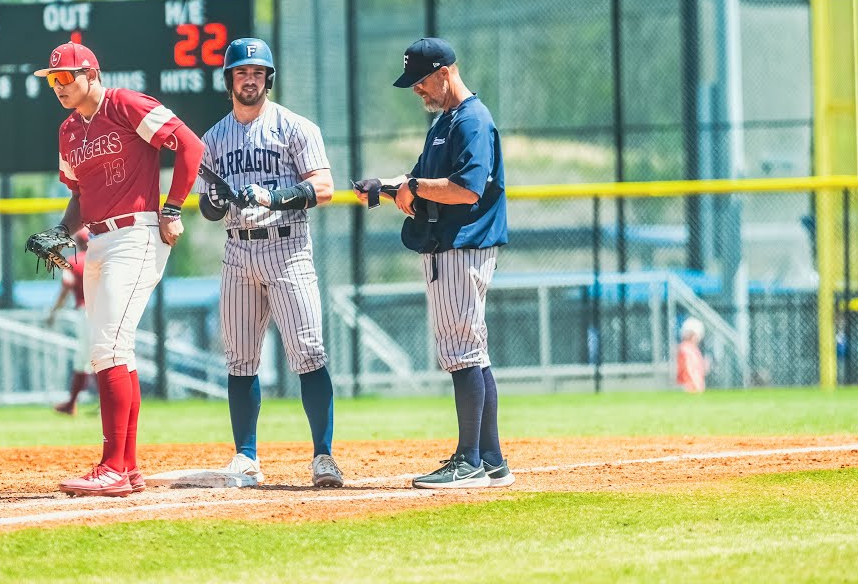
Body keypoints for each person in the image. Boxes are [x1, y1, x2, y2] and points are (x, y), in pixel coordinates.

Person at [31, 41, 202, 497]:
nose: (58, 86)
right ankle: (128, 468)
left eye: (65, 77)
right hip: (99, 240)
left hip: (137, 234)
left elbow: (191, 145)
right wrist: (61, 232)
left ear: (91, 74)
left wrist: (172, 208)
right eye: (52, 80)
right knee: (112, 352)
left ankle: (112, 467)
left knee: (108, 347)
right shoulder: (68, 130)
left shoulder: (124, 104)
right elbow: (79, 197)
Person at [355, 37, 515, 489]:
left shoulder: (472, 121)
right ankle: (491, 459)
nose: (417, 89)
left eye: (421, 80)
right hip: (451, 244)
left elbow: (466, 189)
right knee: (472, 352)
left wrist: (415, 187)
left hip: (462, 246)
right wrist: (387, 187)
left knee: (461, 351)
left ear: (445, 72)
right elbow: (421, 181)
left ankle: (469, 461)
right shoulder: (447, 121)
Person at [196, 37, 344, 488]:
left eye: (257, 73)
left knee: (308, 352)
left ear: (268, 79)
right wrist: (214, 202)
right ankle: (245, 456)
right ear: (229, 80)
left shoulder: (296, 128)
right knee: (240, 358)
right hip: (238, 251)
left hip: (287, 248)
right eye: (242, 73)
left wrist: (273, 196)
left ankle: (323, 456)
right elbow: (206, 207)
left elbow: (324, 187)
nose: (250, 80)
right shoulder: (213, 139)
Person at [48, 227, 93, 416]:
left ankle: (77, 403)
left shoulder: (74, 261)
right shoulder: (102, 259)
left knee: (90, 357)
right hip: (106, 311)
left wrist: (53, 312)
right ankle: (72, 403)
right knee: (88, 358)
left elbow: (66, 286)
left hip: (86, 312)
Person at [676, 317, 709, 393]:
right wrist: (695, 383)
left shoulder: (692, 348)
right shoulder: (686, 348)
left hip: (694, 384)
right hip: (690, 385)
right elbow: (689, 368)